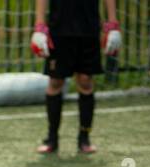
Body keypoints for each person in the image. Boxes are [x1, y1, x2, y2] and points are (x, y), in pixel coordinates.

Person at [31, 0, 121, 154]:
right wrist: (39, 26)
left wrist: (113, 24)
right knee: (55, 82)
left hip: (88, 29)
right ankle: (52, 138)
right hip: (59, 30)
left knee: (85, 81)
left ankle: (84, 138)